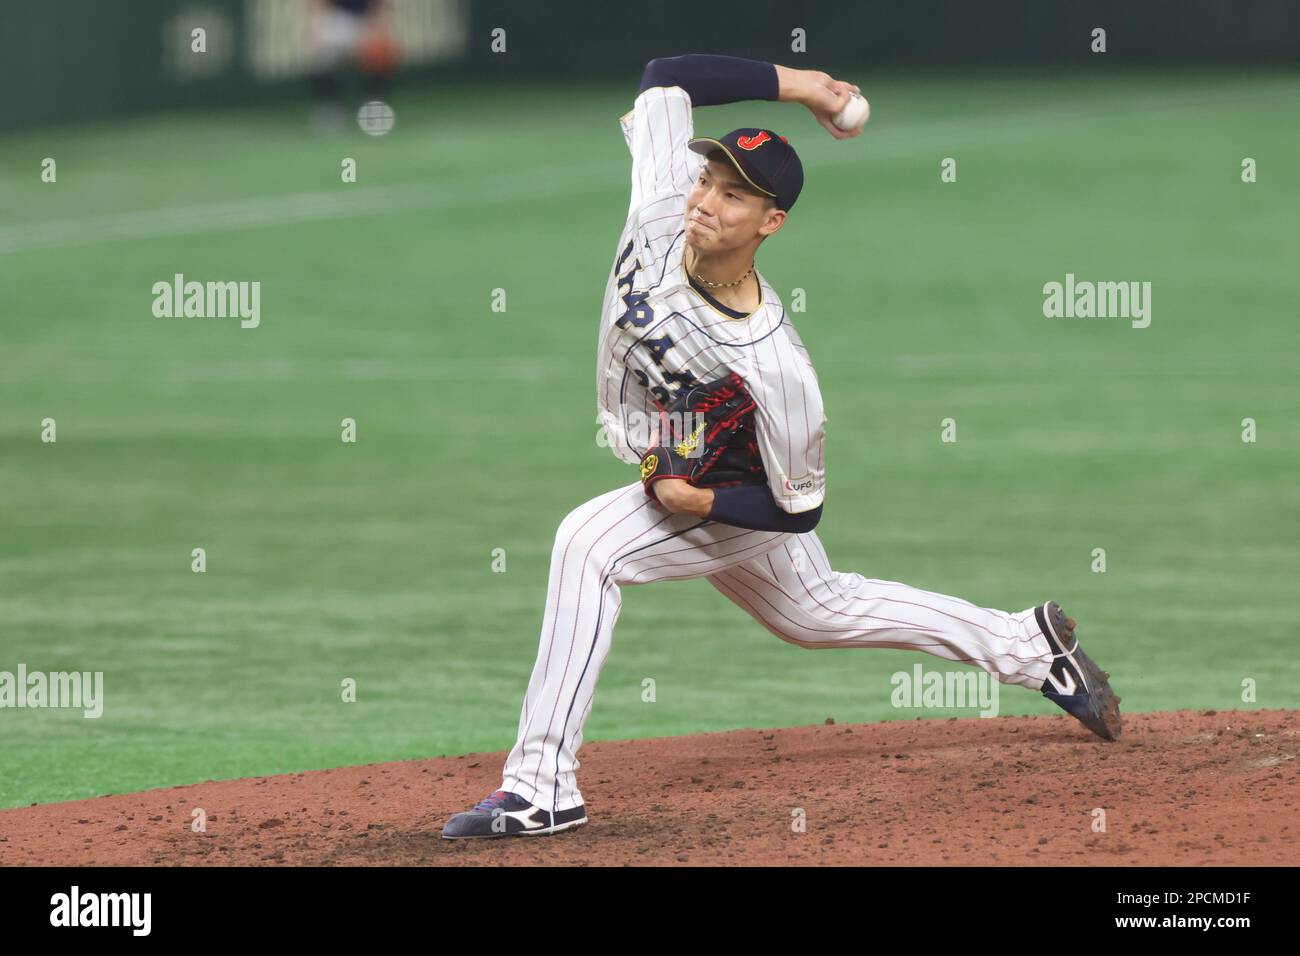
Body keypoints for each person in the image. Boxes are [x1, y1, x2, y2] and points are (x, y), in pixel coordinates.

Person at [442, 54, 1121, 840]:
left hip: (738, 491)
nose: (706, 202)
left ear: (771, 224)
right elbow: (665, 76)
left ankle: (541, 788)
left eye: (735, 195)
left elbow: (798, 510)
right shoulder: (667, 202)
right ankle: (1030, 645)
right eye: (708, 180)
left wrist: (703, 501)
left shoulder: (773, 365)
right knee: (816, 611)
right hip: (673, 456)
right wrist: (803, 86)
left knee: (587, 545)